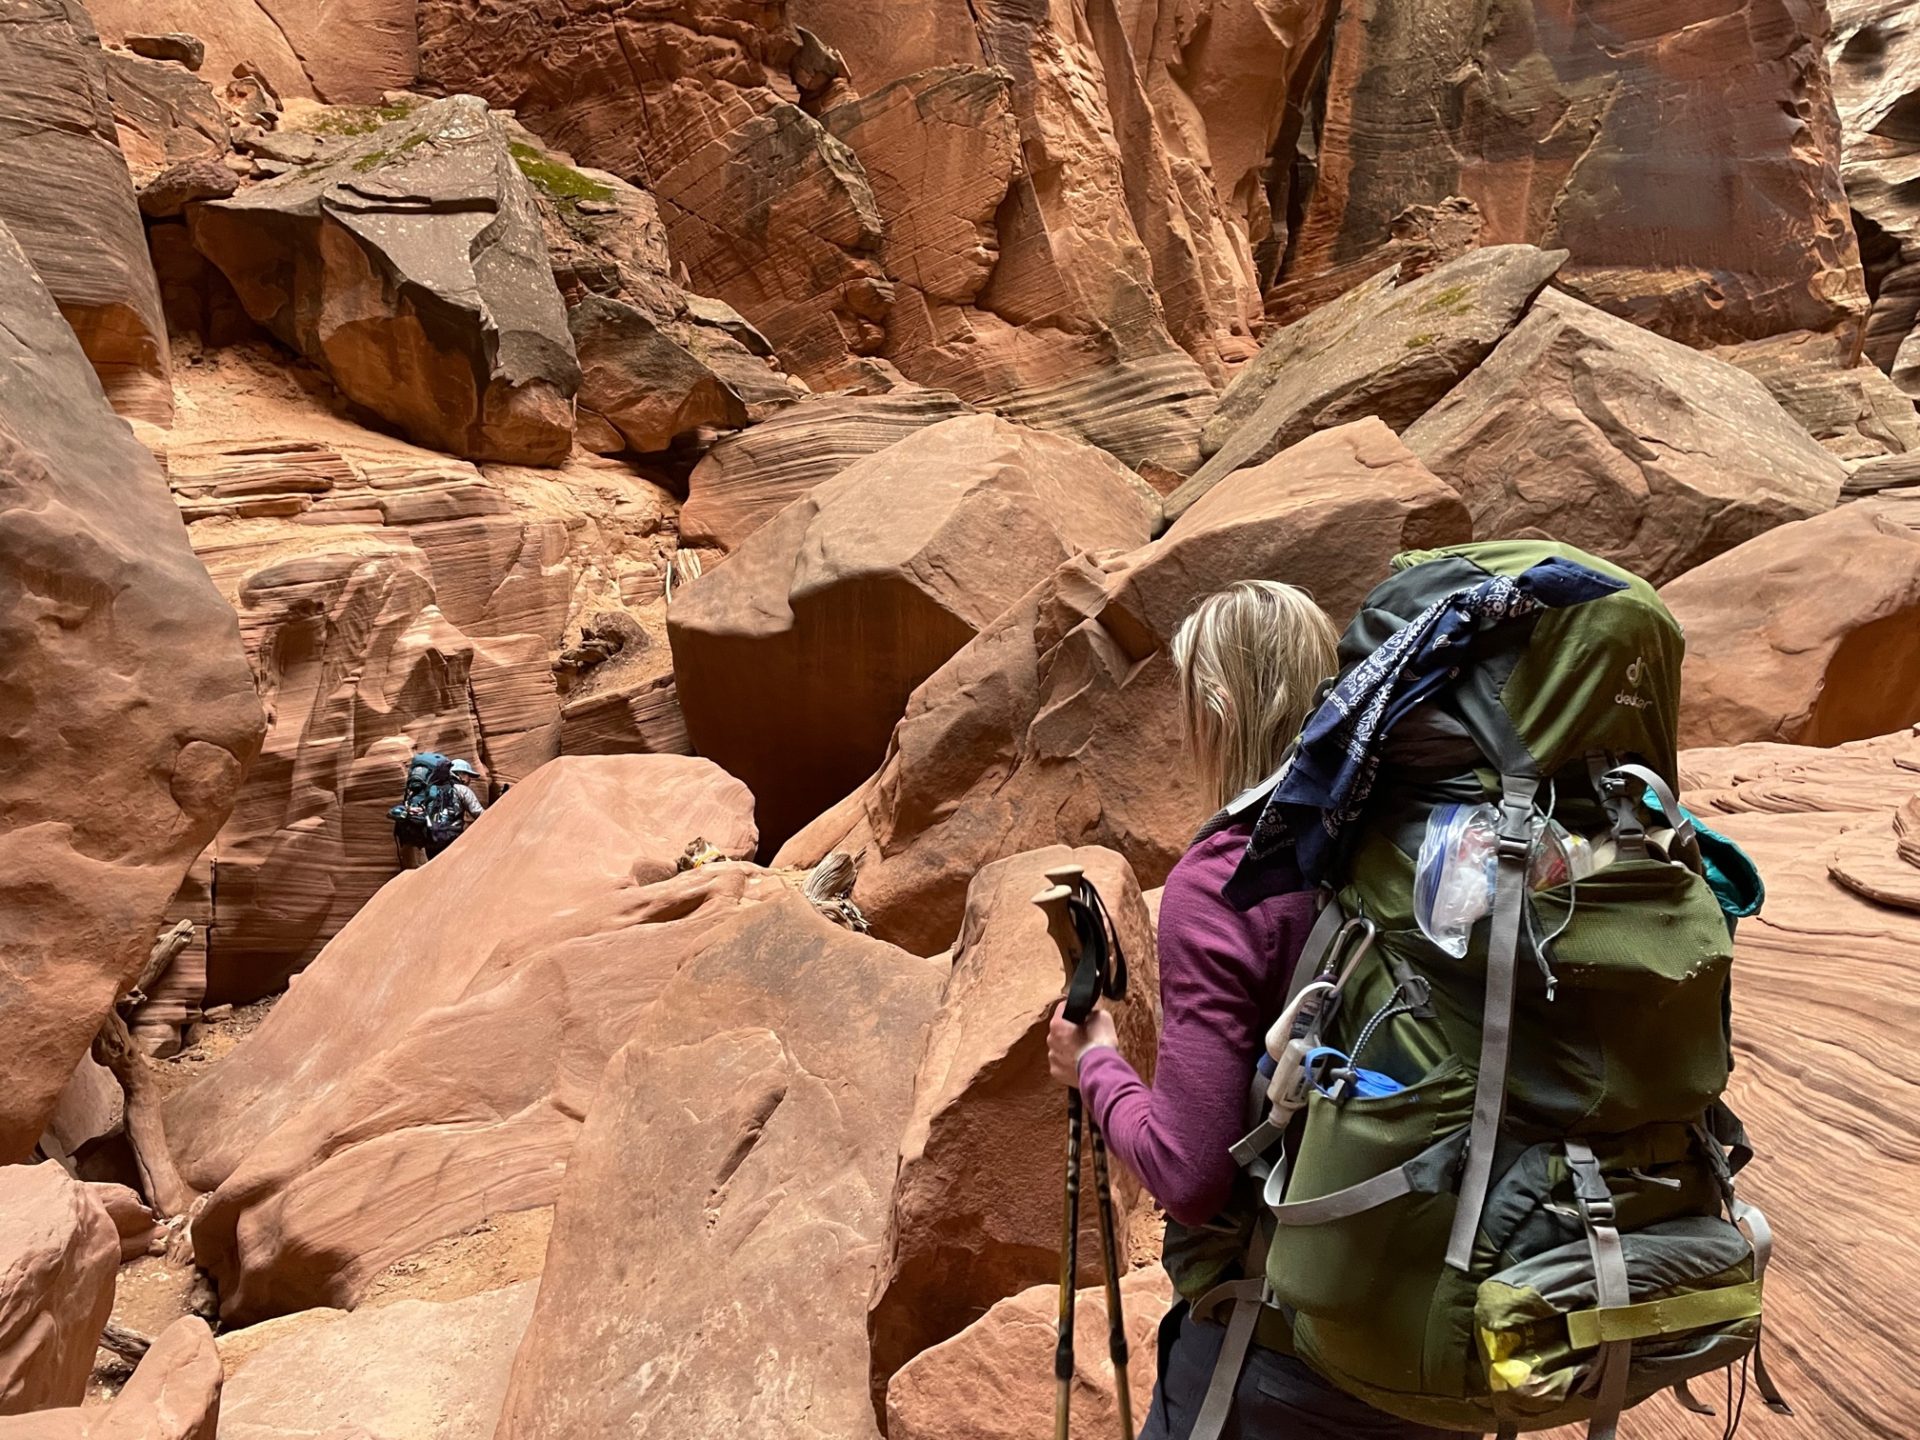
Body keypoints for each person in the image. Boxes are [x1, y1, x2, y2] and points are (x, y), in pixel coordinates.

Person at [1046, 581, 1454, 1440]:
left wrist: (1096, 1067)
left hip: (1285, 1350)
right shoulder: (1419, 848)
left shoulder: (1229, 881)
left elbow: (1192, 1177)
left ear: (1220, 704)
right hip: (1437, 1319)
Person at [428, 758, 487, 859]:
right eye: (469, 776)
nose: (470, 780)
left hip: (430, 842)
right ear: (461, 775)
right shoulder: (462, 789)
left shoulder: (431, 790)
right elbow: (479, 813)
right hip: (452, 840)